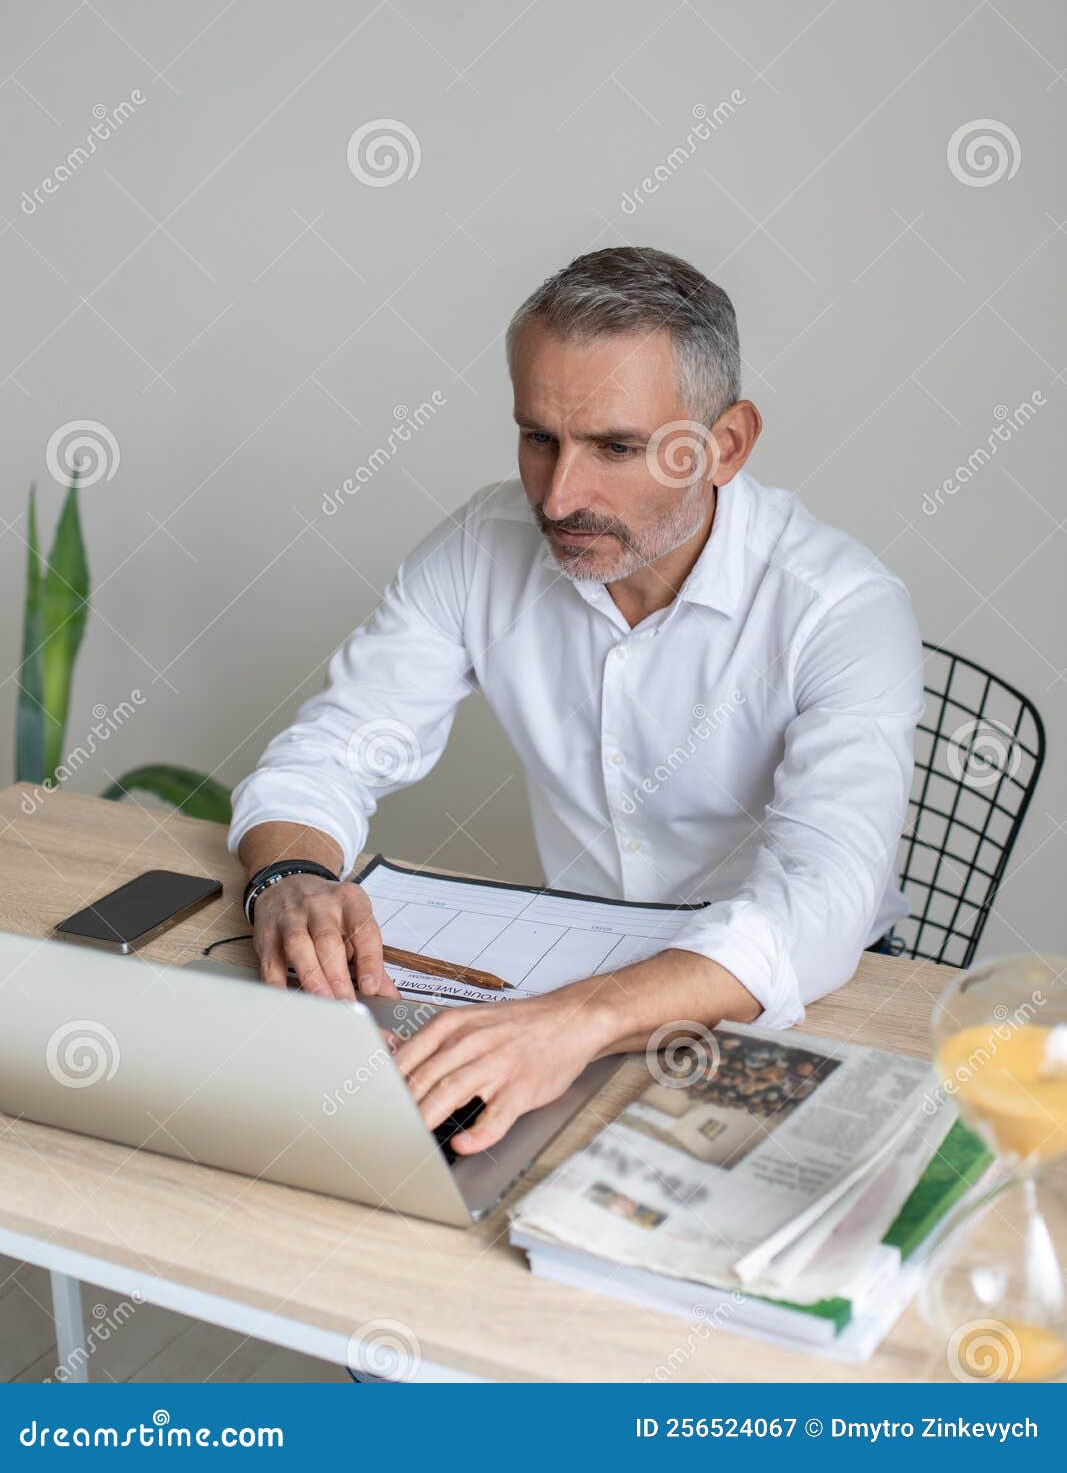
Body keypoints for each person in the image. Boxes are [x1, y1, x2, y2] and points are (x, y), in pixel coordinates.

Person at [228, 246, 924, 1157]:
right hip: (554, 982)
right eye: (538, 437)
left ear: (726, 445)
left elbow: (821, 903)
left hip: (783, 1003)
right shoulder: (483, 547)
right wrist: (290, 878)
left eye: (615, 447)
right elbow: (332, 749)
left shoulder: (841, 608)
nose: (559, 497)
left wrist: (574, 1021)